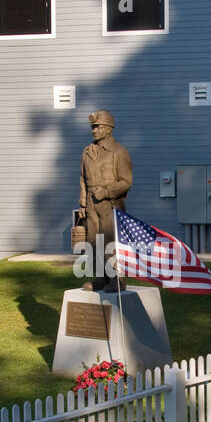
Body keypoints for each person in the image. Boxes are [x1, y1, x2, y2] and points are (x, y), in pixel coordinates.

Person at [78, 110, 132, 291]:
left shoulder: (118, 151)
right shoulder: (87, 152)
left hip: (111, 205)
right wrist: (83, 202)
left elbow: (126, 182)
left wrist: (107, 191)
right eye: (93, 127)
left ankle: (117, 280)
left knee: (111, 243)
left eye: (98, 127)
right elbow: (83, 178)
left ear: (109, 129)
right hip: (92, 204)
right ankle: (101, 278)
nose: (94, 130)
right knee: (94, 242)